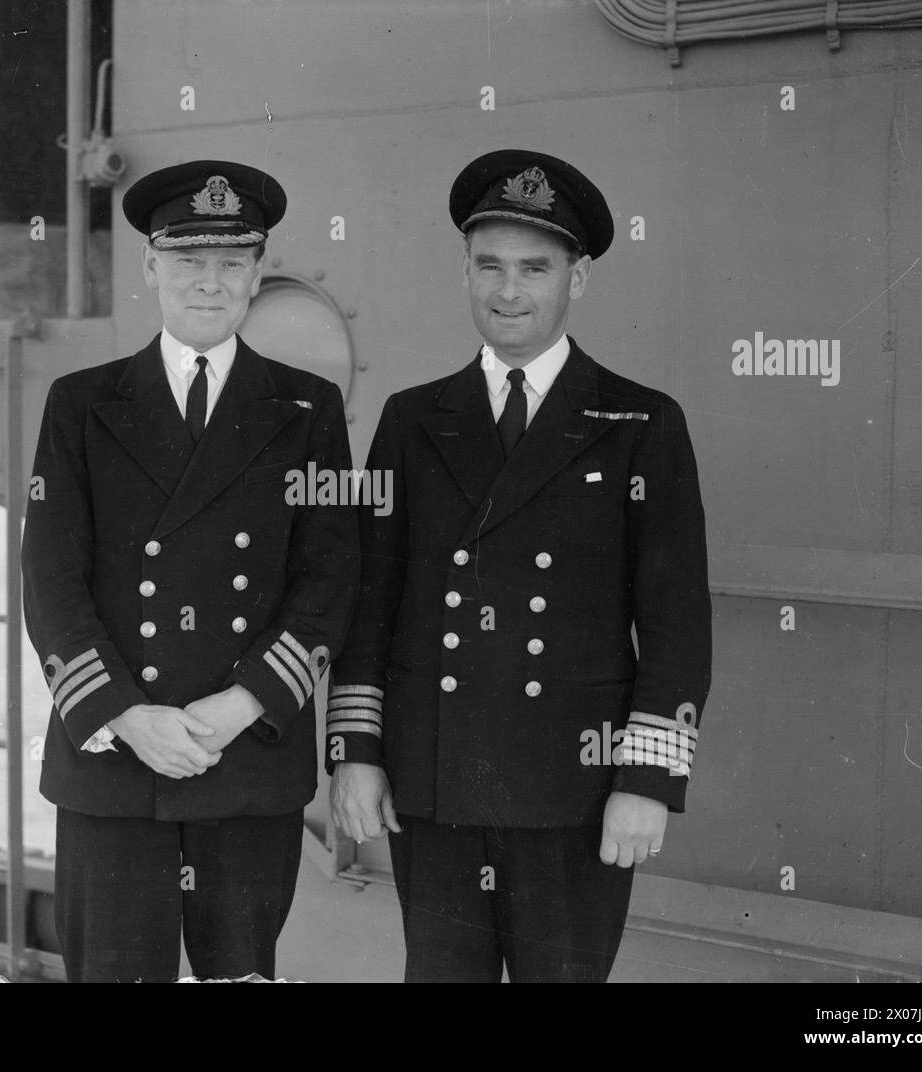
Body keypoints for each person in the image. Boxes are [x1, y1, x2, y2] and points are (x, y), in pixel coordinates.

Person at [326, 149, 712, 983]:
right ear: (464, 272)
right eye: (489, 266)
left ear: (579, 280)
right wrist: (354, 749)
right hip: (435, 786)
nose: (509, 291)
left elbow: (678, 620)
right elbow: (371, 599)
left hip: (572, 789)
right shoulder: (411, 418)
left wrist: (648, 779)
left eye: (535, 268)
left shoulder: (640, 421)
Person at [22, 160, 358, 982]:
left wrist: (242, 704)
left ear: (256, 271)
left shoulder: (310, 409)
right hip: (112, 761)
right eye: (187, 262)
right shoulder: (81, 403)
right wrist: (131, 717)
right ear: (151, 267)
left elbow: (331, 581)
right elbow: (50, 583)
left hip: (242, 760)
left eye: (231, 263)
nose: (209, 283)